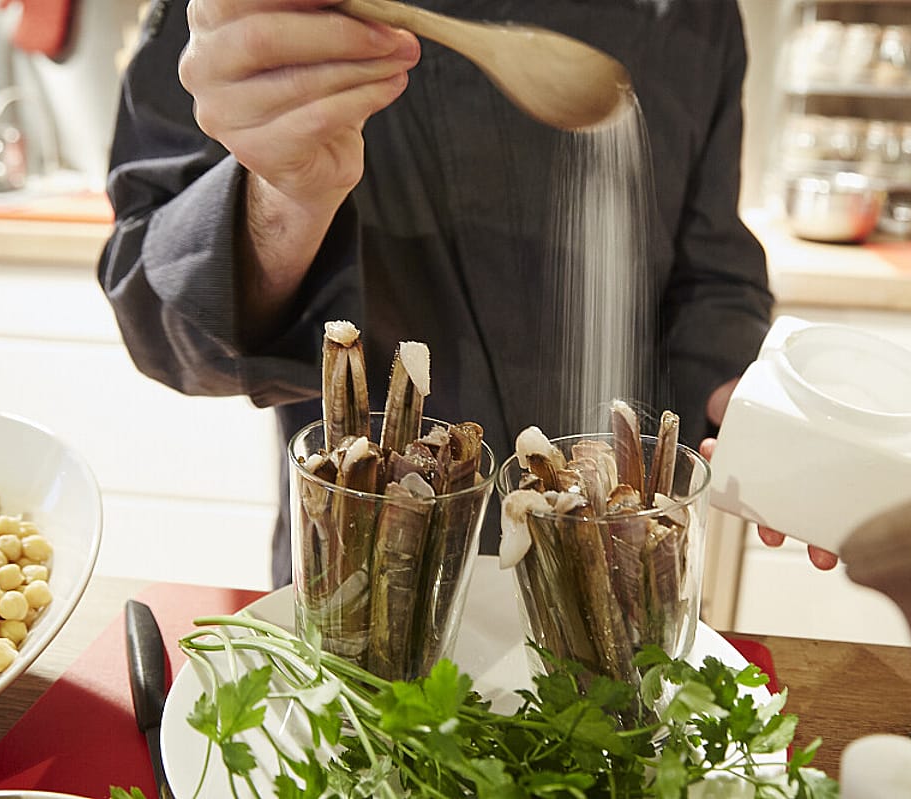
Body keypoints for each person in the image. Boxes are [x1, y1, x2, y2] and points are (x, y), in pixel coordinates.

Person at [99, 0, 837, 588]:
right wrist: (287, 197)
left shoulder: (693, 13)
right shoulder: (258, 14)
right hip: (376, 587)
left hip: (624, 577)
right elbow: (162, 319)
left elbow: (710, 270)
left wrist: (748, 399)